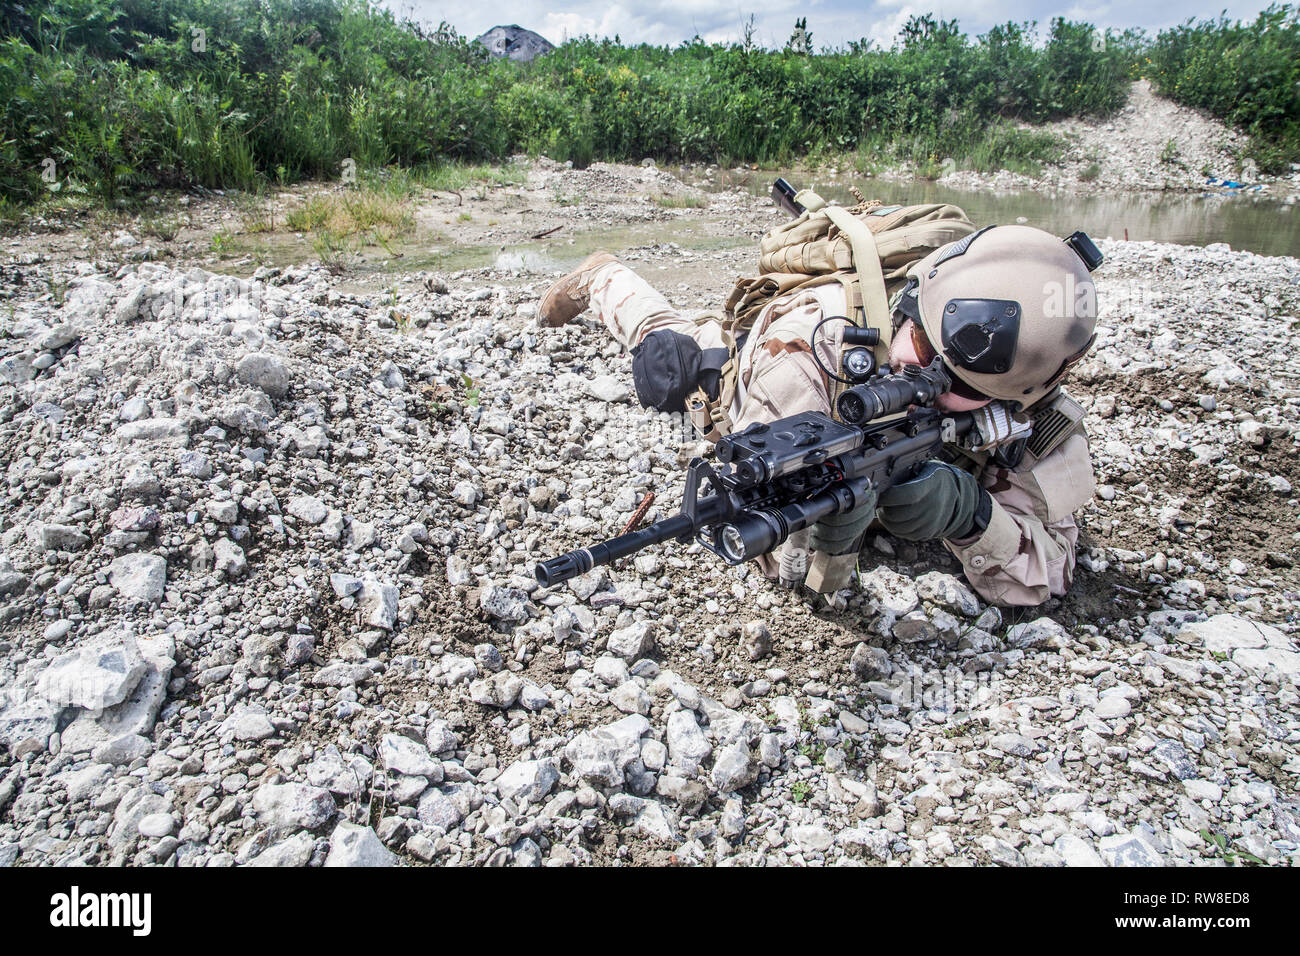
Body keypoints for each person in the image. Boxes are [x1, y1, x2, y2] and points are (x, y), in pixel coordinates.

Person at [536, 223, 1099, 607]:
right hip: (757, 362)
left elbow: (1049, 573)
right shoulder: (809, 353)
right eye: (920, 341)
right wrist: (831, 537)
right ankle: (602, 276)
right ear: (912, 304)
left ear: (1015, 395)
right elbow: (770, 555)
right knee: (675, 357)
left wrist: (971, 515)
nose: (914, 370)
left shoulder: (1035, 411)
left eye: (952, 382)